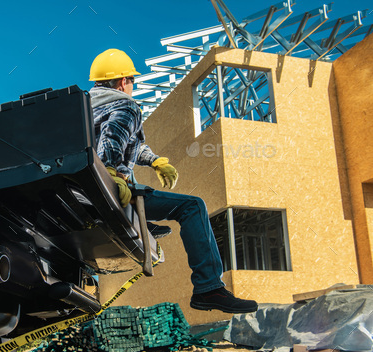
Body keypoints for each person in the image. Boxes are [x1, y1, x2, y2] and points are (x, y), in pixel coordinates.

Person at [89, 49, 258, 314]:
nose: (132, 86)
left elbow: (127, 142)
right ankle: (209, 289)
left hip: (84, 192)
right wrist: (112, 174)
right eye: (132, 81)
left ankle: (146, 224)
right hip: (113, 191)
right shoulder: (125, 105)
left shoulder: (83, 110)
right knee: (192, 206)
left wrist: (155, 161)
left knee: (154, 209)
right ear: (123, 82)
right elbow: (113, 139)